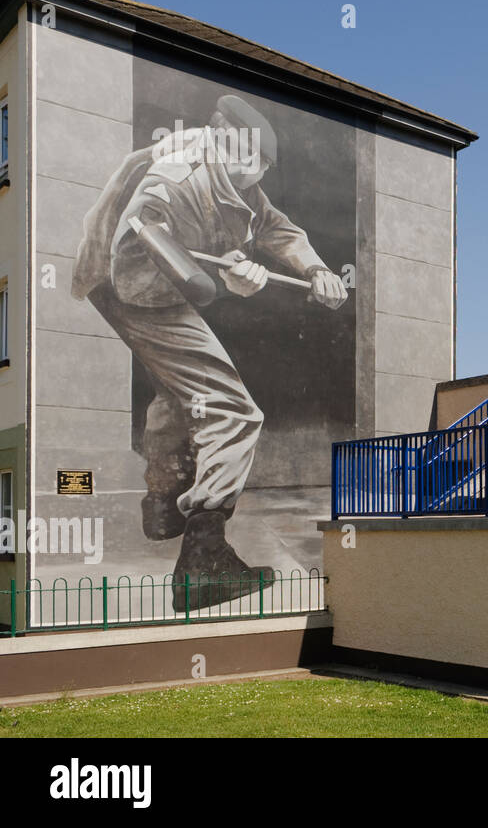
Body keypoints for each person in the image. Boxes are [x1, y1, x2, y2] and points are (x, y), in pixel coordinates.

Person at [71, 95, 350, 608]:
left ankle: (162, 506)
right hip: (129, 287)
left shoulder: (236, 179)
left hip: (148, 284)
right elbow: (137, 274)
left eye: (265, 163)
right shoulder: (174, 180)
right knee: (233, 409)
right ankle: (204, 560)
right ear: (222, 138)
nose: (260, 171)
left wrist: (317, 270)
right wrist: (226, 281)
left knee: (179, 394)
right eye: (253, 159)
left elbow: (276, 227)